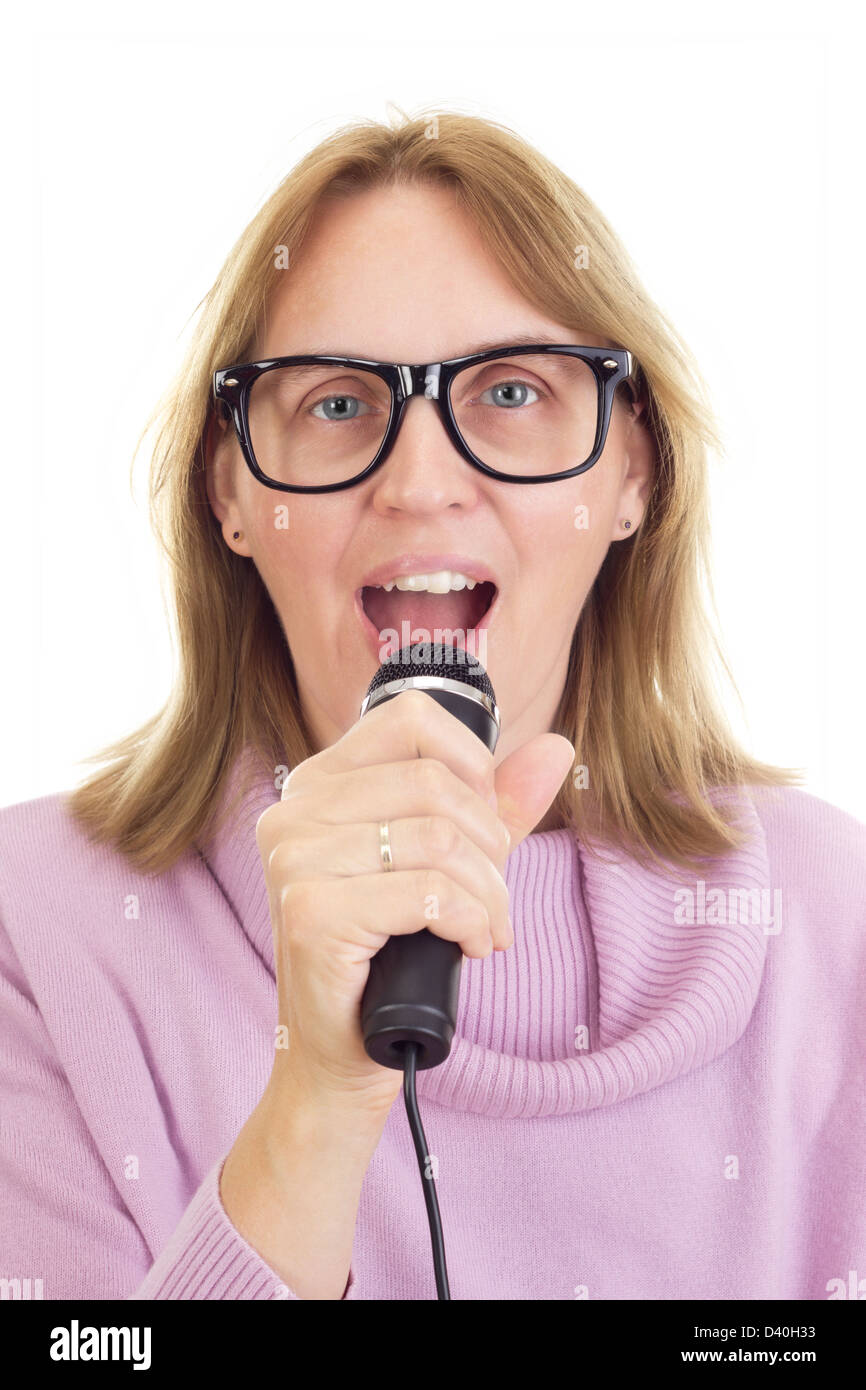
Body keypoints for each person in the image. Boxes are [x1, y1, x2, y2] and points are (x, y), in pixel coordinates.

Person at [1, 109, 864, 1303]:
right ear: (229, 493)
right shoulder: (33, 926)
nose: (419, 484)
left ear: (632, 475)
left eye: (509, 389)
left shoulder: (835, 917)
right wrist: (315, 1103)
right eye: (338, 402)